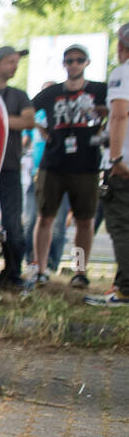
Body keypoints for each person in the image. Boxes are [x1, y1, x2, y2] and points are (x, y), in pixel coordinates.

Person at [30, 43, 108, 287]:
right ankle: (41, 269)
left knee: (84, 220)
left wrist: (104, 126)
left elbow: (119, 110)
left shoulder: (99, 89)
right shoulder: (51, 93)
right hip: (53, 163)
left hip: (87, 165)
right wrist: (42, 130)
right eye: (69, 60)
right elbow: (28, 111)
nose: (74, 64)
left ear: (87, 63)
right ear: (64, 64)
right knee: (45, 217)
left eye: (79, 60)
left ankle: (79, 271)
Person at [85, 23, 129, 306]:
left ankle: (125, 289)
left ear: (120, 46)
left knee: (122, 227)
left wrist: (115, 158)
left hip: (124, 167)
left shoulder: (122, 72)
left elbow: (120, 114)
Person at [0, 45, 34, 287]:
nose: (14, 66)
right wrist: (9, 120)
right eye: (10, 62)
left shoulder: (20, 94)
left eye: (16, 62)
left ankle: (13, 272)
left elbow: (29, 120)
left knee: (13, 221)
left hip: (10, 166)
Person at [24, 81, 68, 273]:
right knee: (32, 221)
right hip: (37, 173)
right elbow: (25, 140)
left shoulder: (63, 114)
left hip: (61, 172)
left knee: (58, 225)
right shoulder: (35, 116)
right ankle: (32, 262)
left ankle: (51, 265)